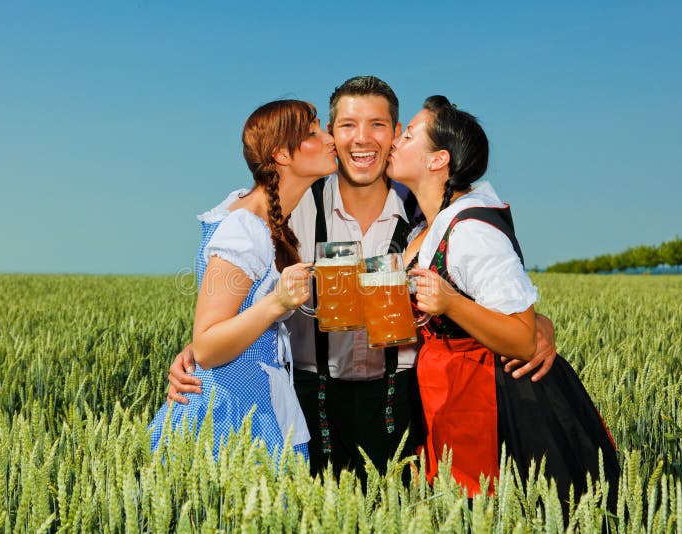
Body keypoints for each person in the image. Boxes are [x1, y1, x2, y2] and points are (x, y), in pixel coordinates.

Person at [165, 77, 560, 481]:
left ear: (395, 135)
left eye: (378, 125)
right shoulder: (293, 207)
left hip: (402, 399)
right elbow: (235, 283)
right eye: (347, 125)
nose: (361, 139)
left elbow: (492, 275)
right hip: (308, 398)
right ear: (333, 136)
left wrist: (539, 326)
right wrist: (200, 351)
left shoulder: (430, 208)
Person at [388, 95, 619, 506]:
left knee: (506, 508)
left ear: (437, 160)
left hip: (500, 401)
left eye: (407, 135)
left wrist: (452, 304)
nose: (394, 142)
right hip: (448, 390)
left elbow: (522, 339)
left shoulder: (472, 230)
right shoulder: (426, 226)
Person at [148, 99, 338, 462]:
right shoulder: (244, 228)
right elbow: (206, 346)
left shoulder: (266, 221)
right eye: (314, 132)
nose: (329, 139)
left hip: (252, 402)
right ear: (282, 154)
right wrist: (277, 304)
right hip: (229, 416)